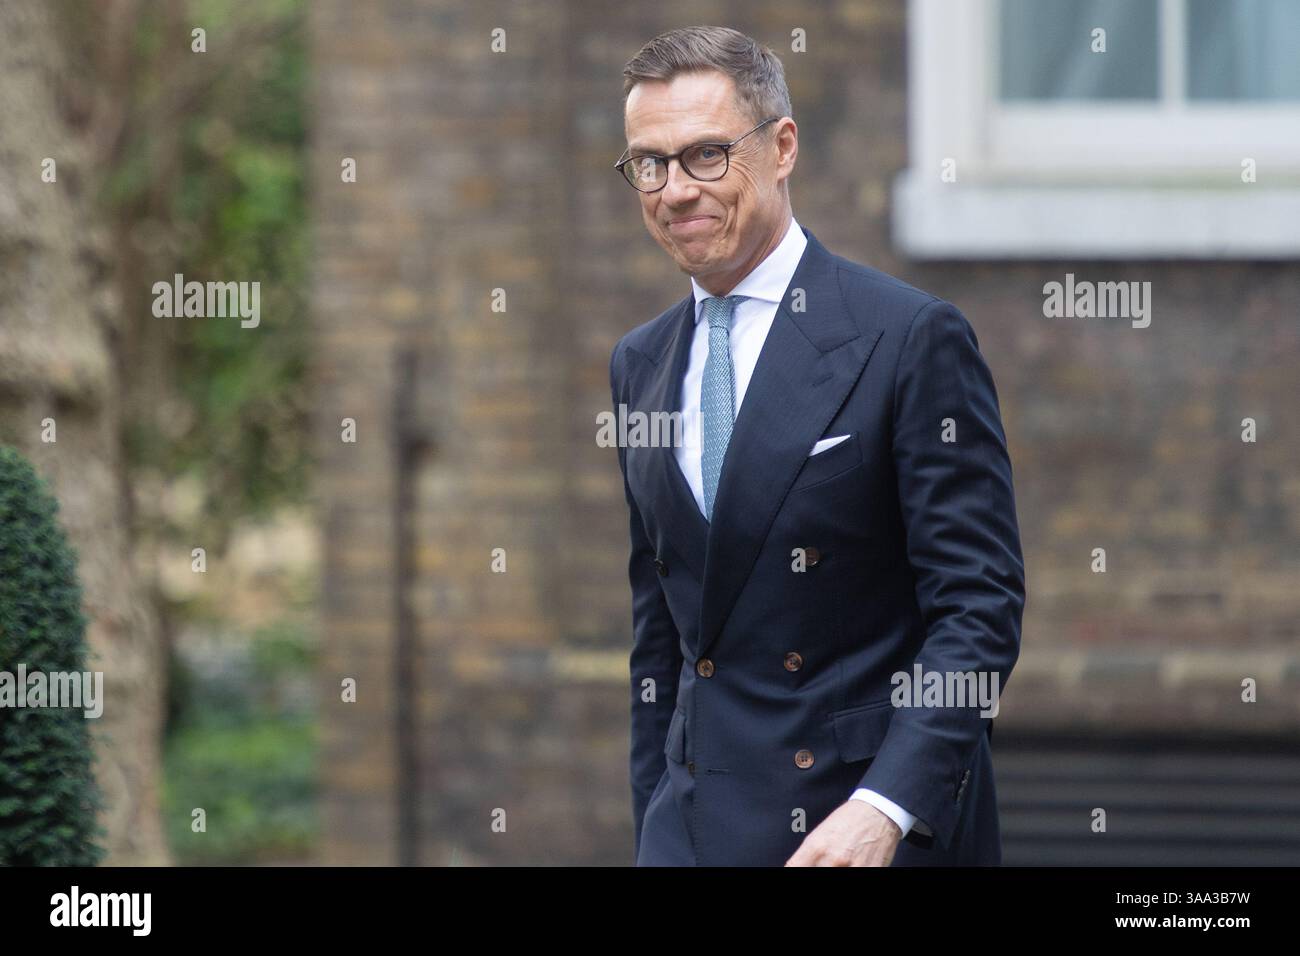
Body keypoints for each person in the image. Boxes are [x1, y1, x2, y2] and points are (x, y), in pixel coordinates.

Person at [609, 25, 1025, 866]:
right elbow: (663, 629)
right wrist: (654, 810)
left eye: (705, 156)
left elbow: (978, 609)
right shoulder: (639, 363)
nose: (674, 191)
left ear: (783, 146)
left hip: (859, 831)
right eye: (649, 164)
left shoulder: (907, 336)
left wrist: (886, 807)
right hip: (692, 832)